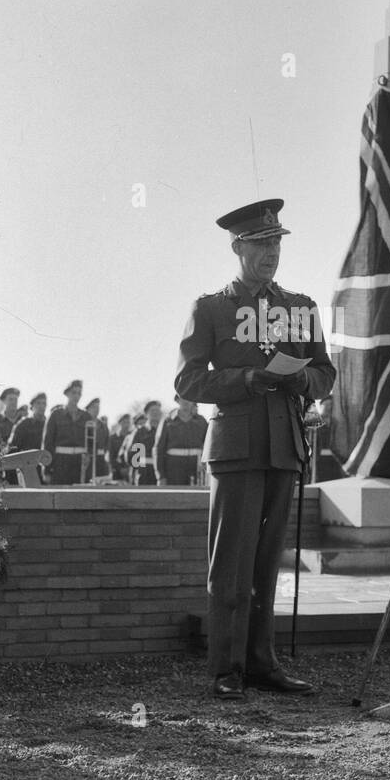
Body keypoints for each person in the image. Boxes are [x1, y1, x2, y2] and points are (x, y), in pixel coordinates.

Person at [175, 197, 335, 699]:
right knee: (231, 563)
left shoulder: (301, 307)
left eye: (277, 243)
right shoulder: (212, 309)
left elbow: (325, 374)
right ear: (237, 247)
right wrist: (248, 377)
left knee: (267, 563)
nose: (271, 252)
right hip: (236, 449)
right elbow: (187, 382)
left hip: (283, 448)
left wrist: (300, 380)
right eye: (261, 244)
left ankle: (263, 664)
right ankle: (226, 668)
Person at [154, 396, 208, 485]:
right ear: (177, 400)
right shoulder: (168, 420)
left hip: (196, 470)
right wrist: (161, 476)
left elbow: (208, 447)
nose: (186, 401)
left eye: (188, 397)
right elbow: (158, 449)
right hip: (173, 471)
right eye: (182, 397)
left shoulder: (201, 421)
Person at [43, 380, 89, 484]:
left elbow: (90, 444)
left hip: (79, 464)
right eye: (74, 392)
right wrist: (47, 470)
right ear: (67, 393)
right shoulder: (56, 415)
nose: (76, 396)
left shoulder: (86, 417)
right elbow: (48, 443)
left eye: (79, 393)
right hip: (60, 463)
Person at [125, 401, 163, 485]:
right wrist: (139, 470)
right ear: (146, 414)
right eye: (152, 410)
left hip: (162, 475)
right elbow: (130, 456)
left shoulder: (166, 431)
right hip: (144, 475)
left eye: (157, 410)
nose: (155, 413)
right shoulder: (139, 432)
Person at [83, 397, 111, 480]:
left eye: (98, 407)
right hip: (88, 461)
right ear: (88, 409)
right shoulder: (84, 423)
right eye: (94, 407)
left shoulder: (103, 426)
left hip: (101, 460)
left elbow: (107, 443)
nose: (96, 410)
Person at [109, 413, 131, 481]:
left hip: (130, 472)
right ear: (120, 423)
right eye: (124, 422)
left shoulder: (133, 436)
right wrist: (120, 469)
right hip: (117, 473)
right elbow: (111, 457)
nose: (126, 425)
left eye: (128, 422)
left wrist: (130, 469)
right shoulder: (112, 438)